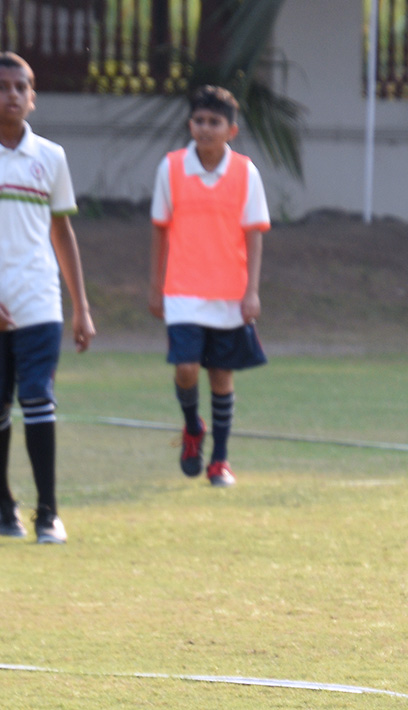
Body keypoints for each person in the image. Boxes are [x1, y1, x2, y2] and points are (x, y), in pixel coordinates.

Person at [0, 52, 93, 543]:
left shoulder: (51, 157)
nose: (13, 95)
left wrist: (81, 308)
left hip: (38, 298)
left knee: (38, 398)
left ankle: (48, 512)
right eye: (3, 86)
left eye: (21, 87)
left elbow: (63, 232)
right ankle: (3, 502)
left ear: (33, 96)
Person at [150, 84, 270, 489]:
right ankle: (191, 427)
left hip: (229, 294)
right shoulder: (171, 168)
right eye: (199, 121)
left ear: (230, 130)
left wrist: (251, 290)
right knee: (185, 368)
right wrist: (155, 286)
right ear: (190, 124)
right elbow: (160, 230)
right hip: (182, 291)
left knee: (221, 375)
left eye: (214, 122)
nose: (205, 128)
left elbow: (254, 234)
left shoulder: (245, 172)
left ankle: (220, 460)